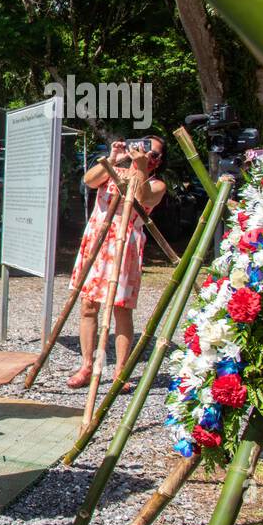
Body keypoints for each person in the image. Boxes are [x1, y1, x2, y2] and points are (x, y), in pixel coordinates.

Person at [66, 137, 167, 389]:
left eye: (152, 153)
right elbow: (89, 180)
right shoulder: (114, 171)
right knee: (88, 305)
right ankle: (86, 365)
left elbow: (142, 197)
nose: (145, 154)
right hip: (97, 242)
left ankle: (120, 372)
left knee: (121, 309)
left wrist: (140, 167)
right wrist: (112, 159)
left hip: (126, 247)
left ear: (159, 160)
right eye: (143, 147)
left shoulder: (157, 183)